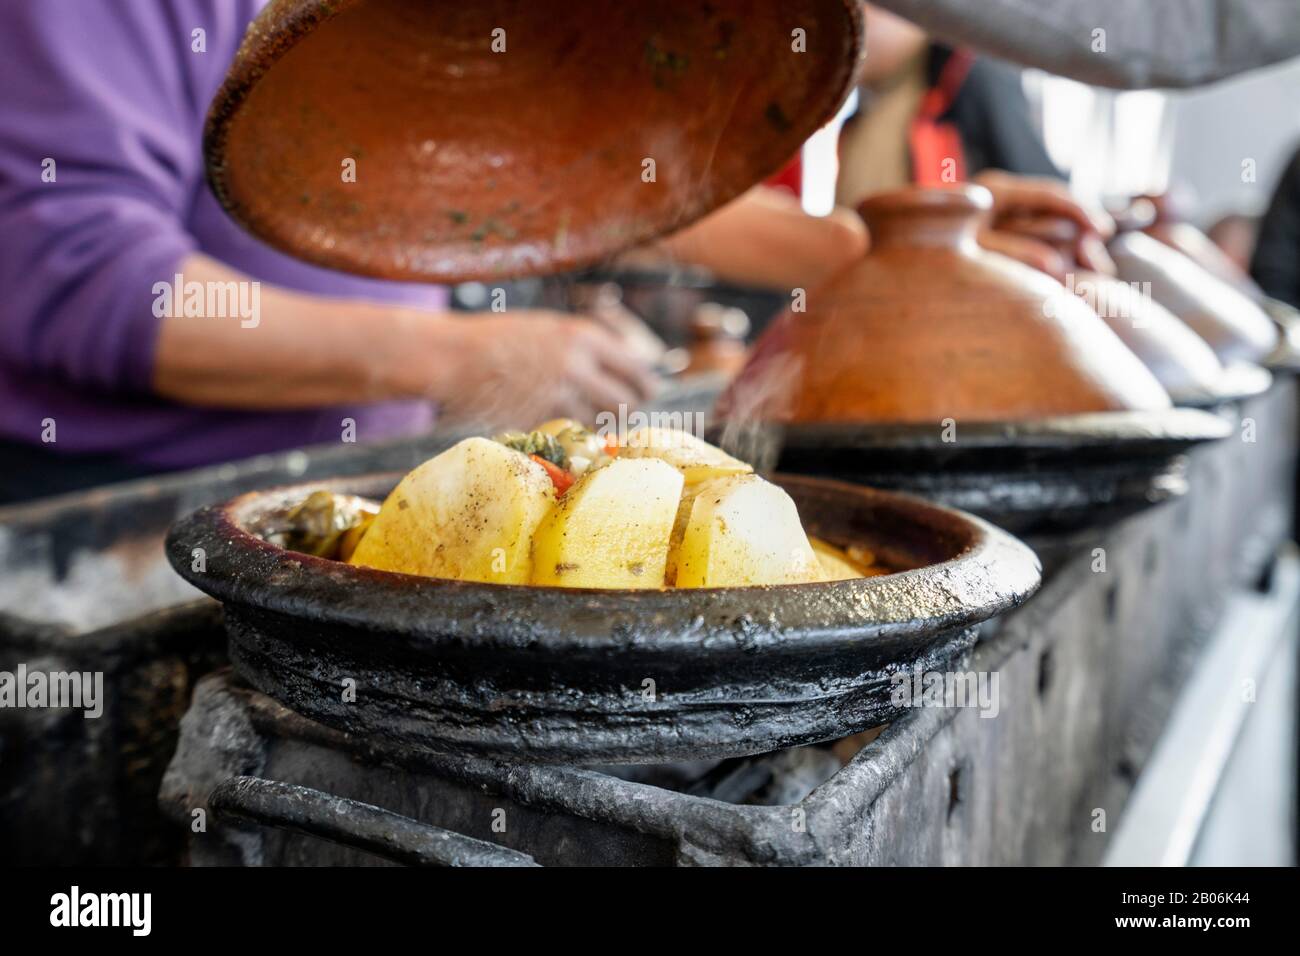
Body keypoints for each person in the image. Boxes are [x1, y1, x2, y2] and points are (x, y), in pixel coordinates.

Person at [0, 0, 660, 503]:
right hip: (126, 512)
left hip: (345, 484)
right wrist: (453, 355)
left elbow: (543, 172)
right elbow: (77, 270)